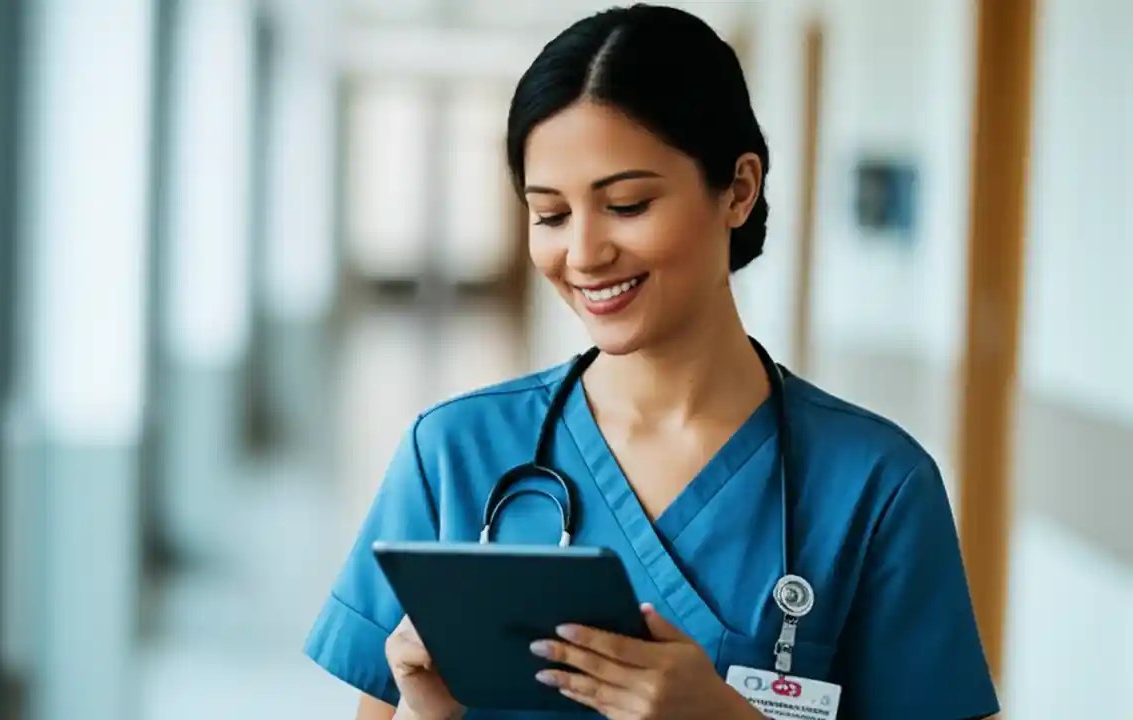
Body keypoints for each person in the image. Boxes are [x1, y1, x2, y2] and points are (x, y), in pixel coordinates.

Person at [304, 4, 999, 719]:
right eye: (550, 215)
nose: (582, 253)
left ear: (738, 189)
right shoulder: (454, 455)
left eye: (627, 204)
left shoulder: (873, 485)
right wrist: (428, 712)